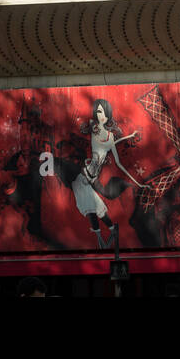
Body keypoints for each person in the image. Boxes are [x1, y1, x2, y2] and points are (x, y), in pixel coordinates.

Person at [71, 99, 142, 248]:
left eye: (102, 112)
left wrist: (138, 183)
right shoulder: (95, 132)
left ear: (108, 114)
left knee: (98, 209)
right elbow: (88, 130)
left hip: (91, 179)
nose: (100, 115)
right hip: (84, 179)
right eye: (98, 112)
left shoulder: (110, 137)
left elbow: (119, 163)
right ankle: (102, 240)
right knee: (93, 209)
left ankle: (108, 235)